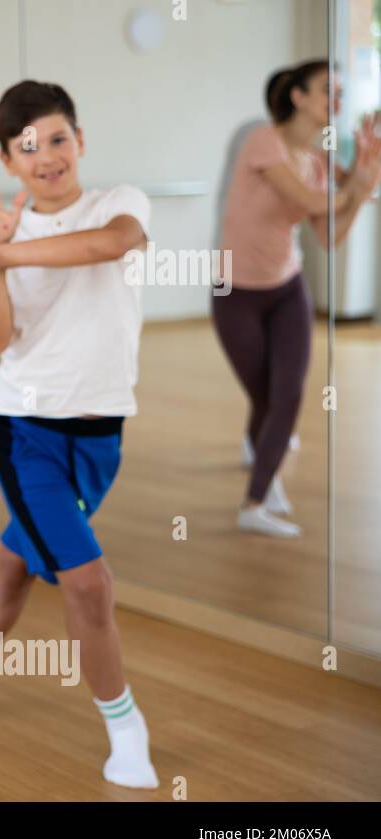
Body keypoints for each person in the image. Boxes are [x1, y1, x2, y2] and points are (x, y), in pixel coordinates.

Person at [0, 81, 158, 788]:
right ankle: (126, 727)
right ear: (8, 161)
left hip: (102, 436)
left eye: (57, 139)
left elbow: (109, 247)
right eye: (29, 148)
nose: (47, 157)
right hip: (23, 431)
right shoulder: (4, 239)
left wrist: (5, 256)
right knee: (87, 583)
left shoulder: (120, 204)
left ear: (80, 141)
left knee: (12, 570)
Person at [214, 59, 381, 537]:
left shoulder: (321, 160)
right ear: (298, 98)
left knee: (286, 394)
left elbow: (330, 235)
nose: (338, 100)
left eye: (342, 92)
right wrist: (359, 183)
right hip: (235, 293)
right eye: (328, 89)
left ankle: (255, 501)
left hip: (287, 288)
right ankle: (260, 452)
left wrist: (362, 182)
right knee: (264, 395)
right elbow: (311, 203)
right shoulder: (263, 141)